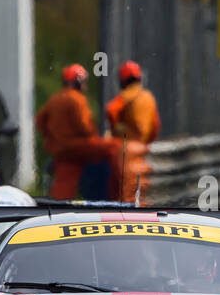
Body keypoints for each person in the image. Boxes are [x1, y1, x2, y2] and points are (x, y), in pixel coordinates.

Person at [36, 64, 122, 199]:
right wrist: (95, 138)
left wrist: (52, 139)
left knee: (64, 182)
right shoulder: (77, 99)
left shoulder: (54, 99)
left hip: (60, 150)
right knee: (116, 147)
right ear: (78, 82)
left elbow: (39, 121)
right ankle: (117, 196)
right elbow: (85, 127)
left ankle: (60, 204)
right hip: (79, 147)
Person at [105, 60, 161, 202]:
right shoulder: (149, 98)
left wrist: (116, 128)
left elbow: (111, 110)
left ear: (123, 79)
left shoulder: (127, 95)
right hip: (143, 152)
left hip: (126, 152)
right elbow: (155, 126)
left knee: (124, 198)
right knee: (139, 196)